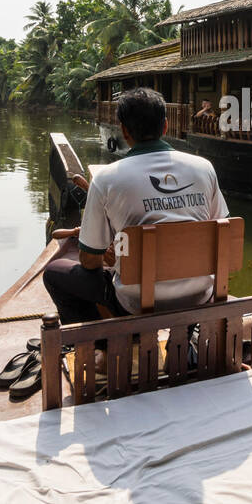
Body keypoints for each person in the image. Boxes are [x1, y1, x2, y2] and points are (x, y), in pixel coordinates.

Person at [43, 87, 230, 328]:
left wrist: (115, 250)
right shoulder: (204, 168)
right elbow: (222, 230)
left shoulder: (107, 178)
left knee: (55, 273)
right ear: (165, 126)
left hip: (134, 302)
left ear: (123, 130)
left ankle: (102, 346)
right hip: (200, 295)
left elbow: (90, 261)